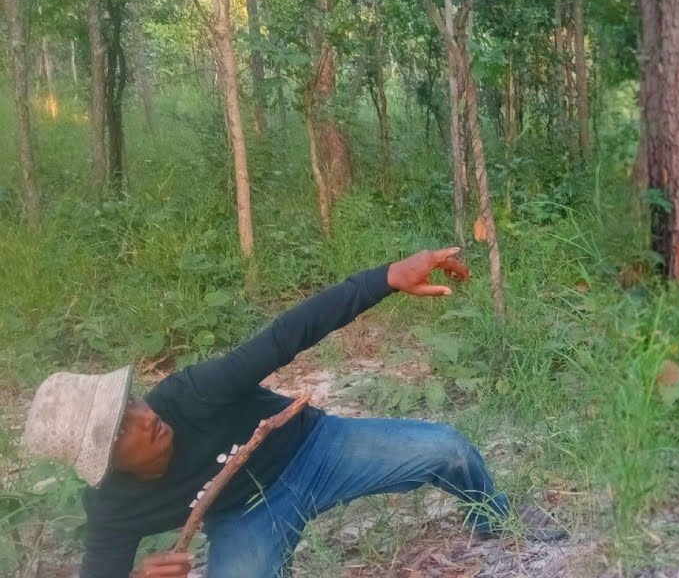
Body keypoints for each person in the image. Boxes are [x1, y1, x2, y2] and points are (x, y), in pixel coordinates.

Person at [21, 248, 563, 578]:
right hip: (245, 516)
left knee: (447, 448)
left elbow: (285, 335)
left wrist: (387, 277)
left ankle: (496, 526)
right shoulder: (114, 508)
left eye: (130, 401)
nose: (144, 417)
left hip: (313, 449)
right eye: (121, 429)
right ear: (106, 464)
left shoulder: (189, 395)